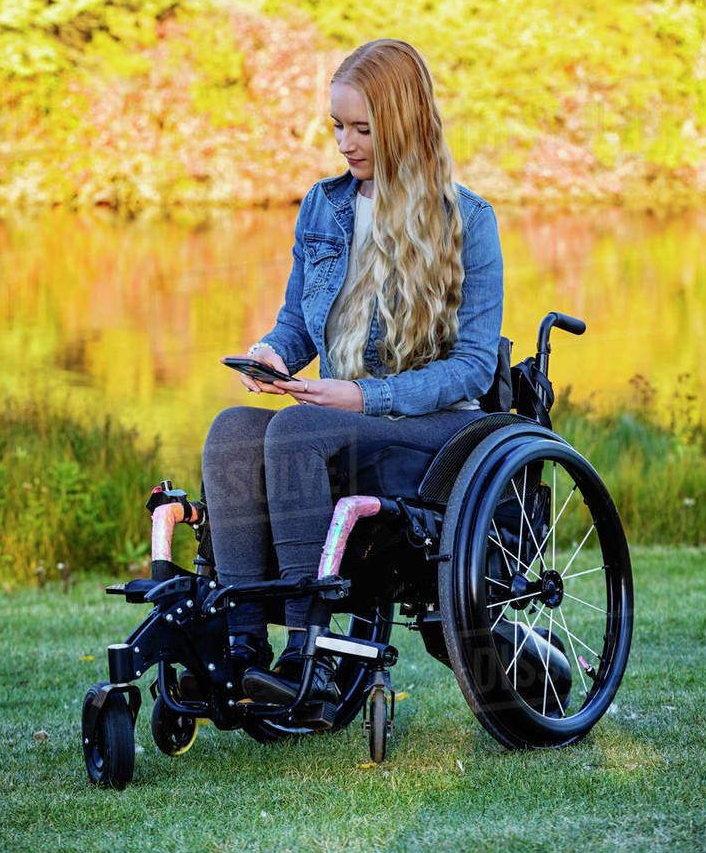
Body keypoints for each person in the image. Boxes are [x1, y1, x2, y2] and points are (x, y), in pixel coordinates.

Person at [201, 38, 503, 726]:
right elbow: (297, 326)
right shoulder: (323, 208)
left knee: (299, 429)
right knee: (232, 432)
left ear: (402, 124)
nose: (345, 143)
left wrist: (366, 396)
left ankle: (313, 646)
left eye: (361, 128)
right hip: (339, 413)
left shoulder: (469, 222)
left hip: (434, 428)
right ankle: (247, 644)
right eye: (337, 126)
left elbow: (473, 368)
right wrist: (272, 354)